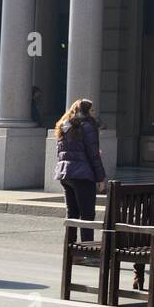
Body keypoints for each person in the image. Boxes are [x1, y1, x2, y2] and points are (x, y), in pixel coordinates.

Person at [54, 98, 107, 243]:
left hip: (65, 174)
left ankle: (71, 251)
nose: (94, 112)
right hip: (83, 174)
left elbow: (61, 152)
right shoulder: (88, 126)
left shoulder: (65, 126)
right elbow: (93, 155)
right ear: (86, 111)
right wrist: (100, 178)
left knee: (72, 214)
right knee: (87, 215)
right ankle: (87, 251)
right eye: (92, 110)